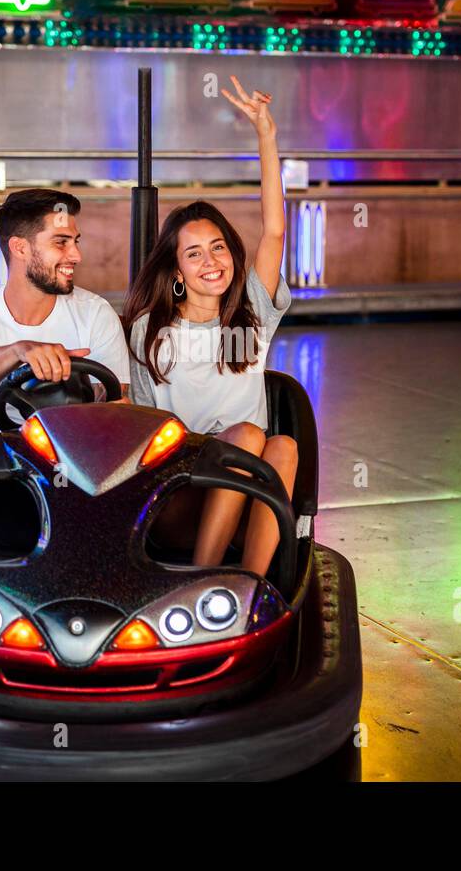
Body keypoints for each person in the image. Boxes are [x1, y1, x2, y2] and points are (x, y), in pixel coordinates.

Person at [122, 76, 297, 578]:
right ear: (176, 271)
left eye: (218, 247)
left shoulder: (252, 315)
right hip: (177, 496)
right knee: (245, 433)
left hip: (247, 496)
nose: (211, 261)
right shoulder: (149, 334)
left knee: (282, 445)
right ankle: (202, 578)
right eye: (194, 254)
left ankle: (252, 585)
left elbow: (275, 230)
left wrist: (266, 134)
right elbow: (140, 429)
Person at [0, 189, 131, 559]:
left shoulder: (94, 314)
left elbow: (120, 409)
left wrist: (77, 391)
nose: (76, 256)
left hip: (75, 483)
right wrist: (19, 351)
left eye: (75, 242)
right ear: (19, 248)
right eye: (61, 243)